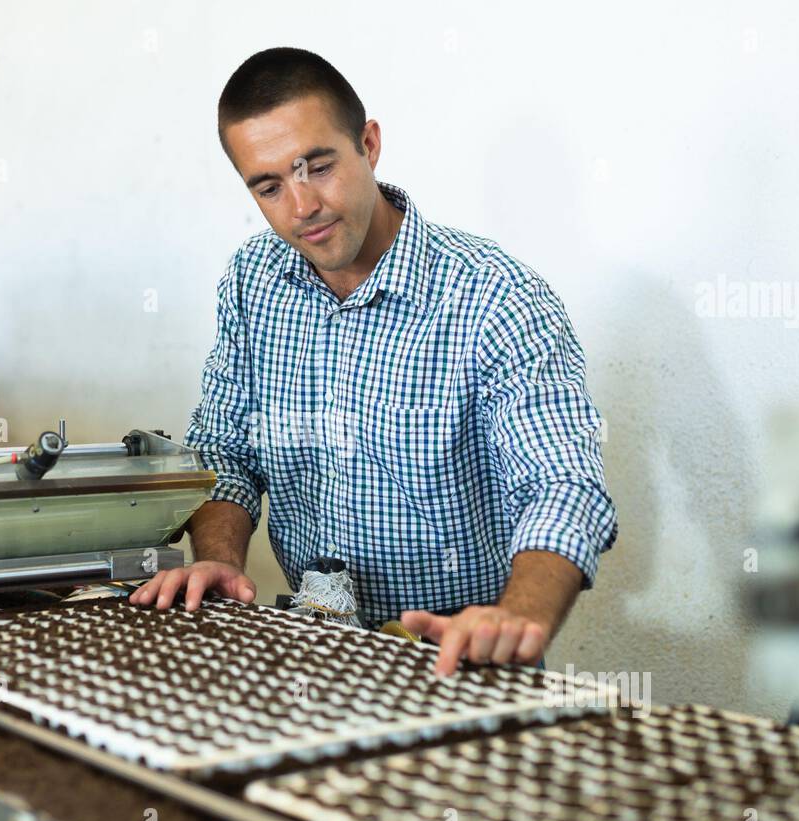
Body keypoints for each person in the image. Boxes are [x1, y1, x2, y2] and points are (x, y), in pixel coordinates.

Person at [131, 48, 617, 676]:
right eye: (270, 186)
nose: (302, 206)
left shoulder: (495, 297)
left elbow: (562, 486)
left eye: (319, 167)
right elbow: (225, 449)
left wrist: (518, 615)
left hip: (460, 664)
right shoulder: (254, 280)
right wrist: (221, 558)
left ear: (369, 144)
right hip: (315, 659)